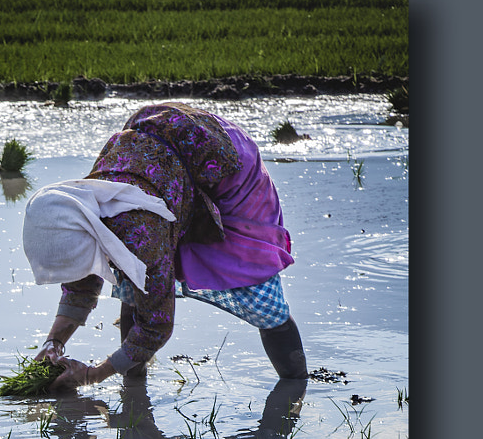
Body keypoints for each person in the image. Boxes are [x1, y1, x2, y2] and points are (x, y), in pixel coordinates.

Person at [22, 101, 308, 390]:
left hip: (227, 166)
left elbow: (157, 323)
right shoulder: (82, 211)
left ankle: (295, 389)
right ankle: (134, 388)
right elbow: (80, 281)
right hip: (168, 160)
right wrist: (53, 343)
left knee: (260, 295)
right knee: (132, 286)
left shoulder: (141, 234)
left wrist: (93, 375)